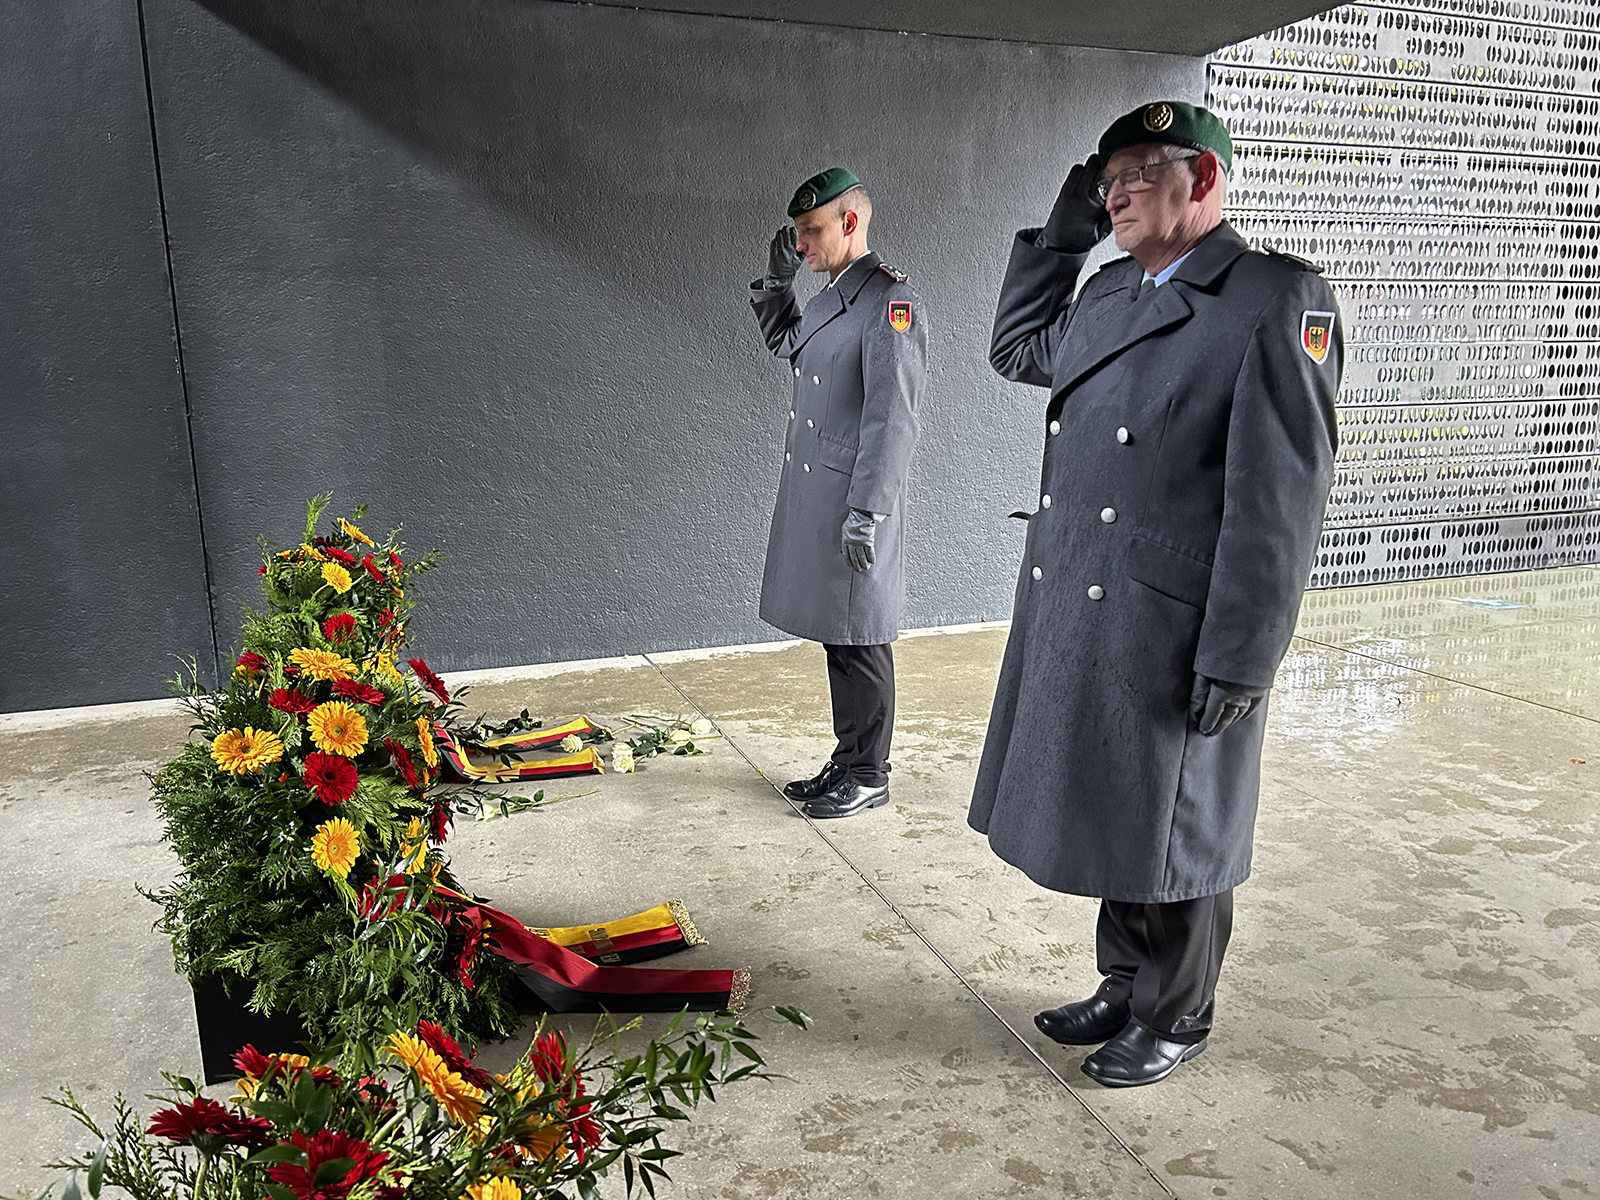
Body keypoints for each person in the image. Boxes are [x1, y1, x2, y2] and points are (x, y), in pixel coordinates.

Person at [967, 102, 1342, 1087]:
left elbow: (1279, 503)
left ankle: (1176, 1012)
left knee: (1177, 823)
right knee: (1118, 803)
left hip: (1180, 616)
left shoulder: (1273, 298)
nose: (1114, 191)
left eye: (1138, 172)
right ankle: (1125, 983)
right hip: (1094, 602)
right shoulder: (1110, 289)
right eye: (1106, 178)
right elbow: (1015, 352)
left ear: (1202, 183)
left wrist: (1241, 654)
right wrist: (1059, 243)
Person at [748, 167, 927, 820]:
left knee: (862, 637)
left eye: (812, 231)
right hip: (824, 496)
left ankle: (870, 772)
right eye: (796, 234)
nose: (803, 246)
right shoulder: (832, 298)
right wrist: (776, 286)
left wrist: (868, 511)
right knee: (838, 634)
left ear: (851, 223)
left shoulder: (890, 304)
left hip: (855, 501)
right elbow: (788, 344)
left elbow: (894, 419)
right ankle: (848, 757)